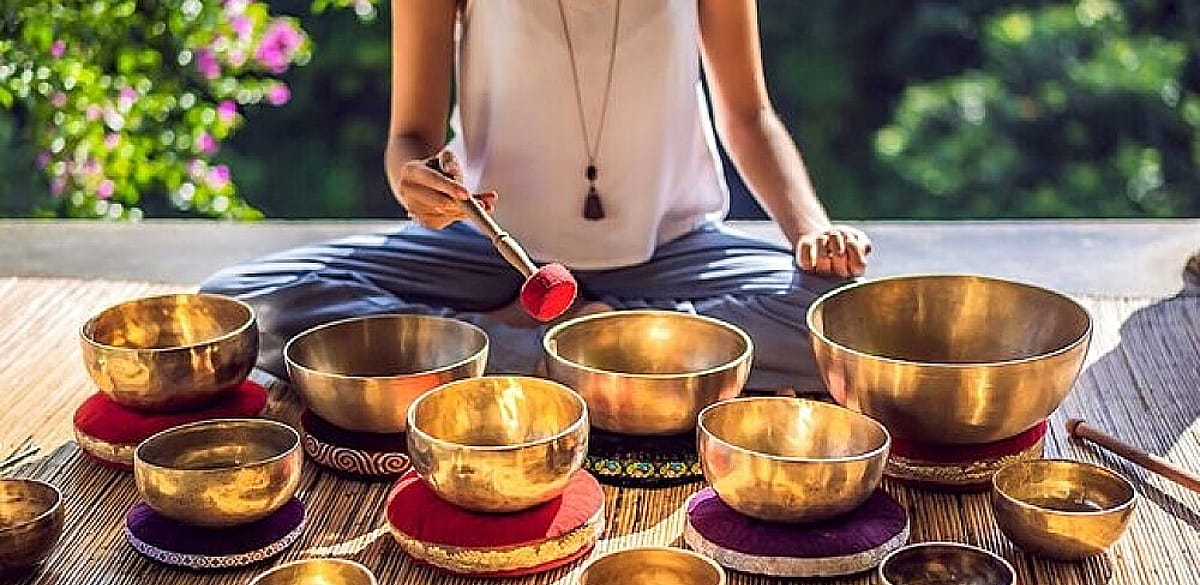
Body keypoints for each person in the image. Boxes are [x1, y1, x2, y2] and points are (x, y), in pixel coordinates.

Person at [202, 0, 872, 393]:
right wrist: (415, 183)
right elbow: (411, 136)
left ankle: (505, 349)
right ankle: (620, 351)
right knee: (240, 301)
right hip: (489, 252)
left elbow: (749, 116)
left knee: (846, 323)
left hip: (670, 253)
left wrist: (811, 231)